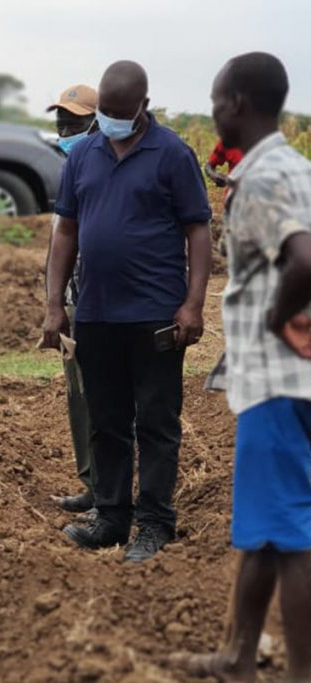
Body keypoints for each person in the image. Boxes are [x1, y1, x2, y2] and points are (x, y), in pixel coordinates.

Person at [172, 52, 311, 683]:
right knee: (265, 528)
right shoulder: (296, 168)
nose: (212, 113)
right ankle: (235, 657)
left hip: (278, 383)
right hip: (290, 381)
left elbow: (304, 259)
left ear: (236, 104)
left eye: (214, 101)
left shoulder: (261, 179)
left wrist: (279, 319)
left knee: (291, 535)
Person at [41, 60, 213, 563]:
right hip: (97, 313)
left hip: (156, 314)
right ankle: (112, 517)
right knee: (107, 420)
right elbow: (66, 231)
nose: (112, 121)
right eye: (107, 113)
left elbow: (198, 230)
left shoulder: (172, 153)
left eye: (120, 112)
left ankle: (154, 522)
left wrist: (193, 304)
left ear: (144, 105)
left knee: (156, 422)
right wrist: (54, 304)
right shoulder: (83, 155)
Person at [44, 84, 98, 515]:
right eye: (61, 120)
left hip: (104, 302)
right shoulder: (68, 167)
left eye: (74, 121)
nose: (64, 129)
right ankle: (94, 484)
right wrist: (55, 301)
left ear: (96, 122)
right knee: (78, 397)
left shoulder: (101, 167)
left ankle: (115, 491)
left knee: (105, 400)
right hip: (74, 298)